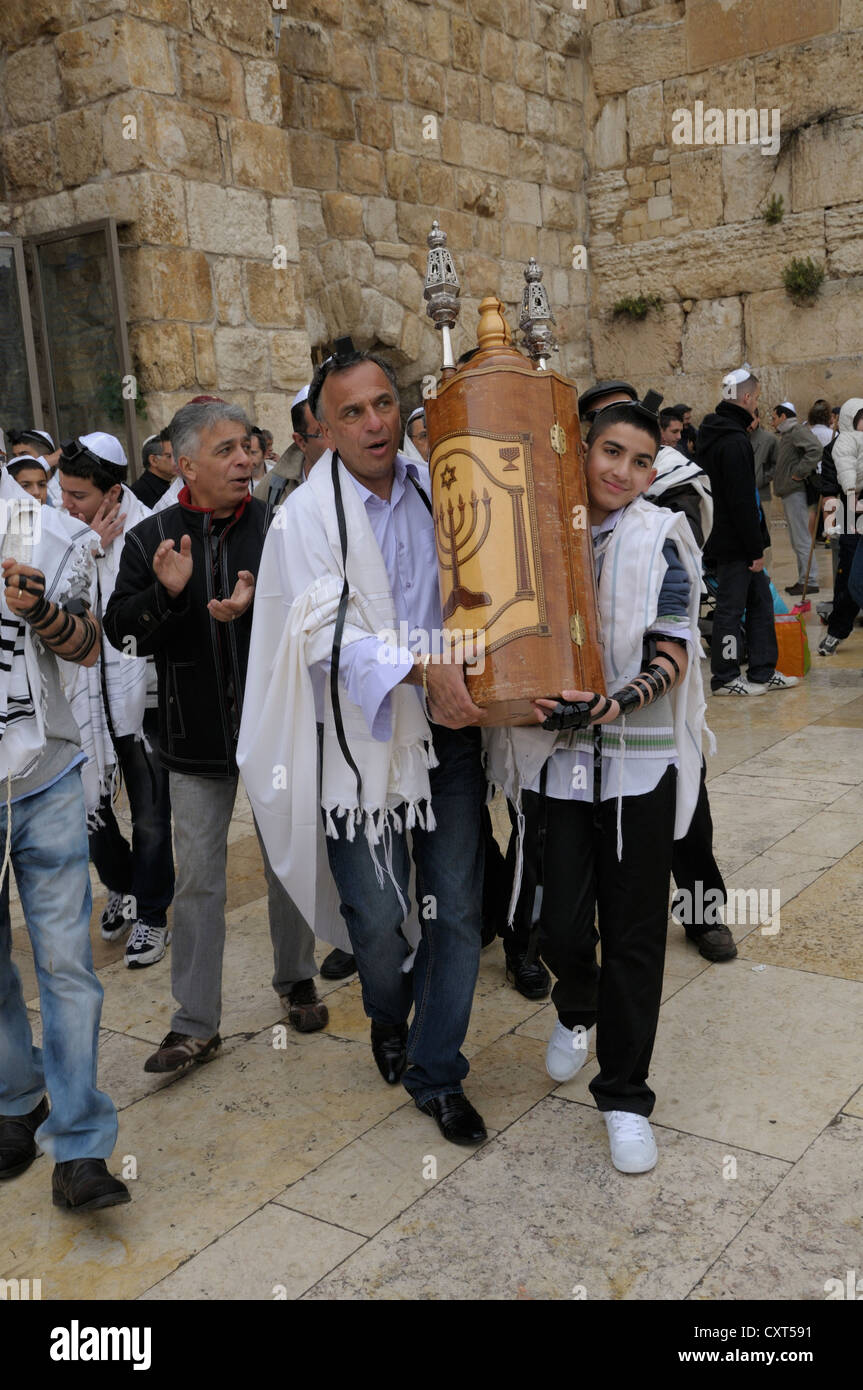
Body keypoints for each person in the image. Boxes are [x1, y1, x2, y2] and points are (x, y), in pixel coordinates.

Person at [238, 347, 489, 1147]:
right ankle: (388, 1014)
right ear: (322, 428)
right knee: (377, 922)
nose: (375, 423)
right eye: (352, 412)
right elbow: (320, 634)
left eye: (383, 403)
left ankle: (435, 1069)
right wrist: (422, 668)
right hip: (359, 744)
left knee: (454, 912)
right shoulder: (301, 521)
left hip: (448, 736)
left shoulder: (440, 491)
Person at [485, 401, 706, 1173]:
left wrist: (623, 698)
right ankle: (575, 1007)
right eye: (609, 452)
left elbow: (674, 646)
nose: (620, 472)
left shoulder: (659, 538)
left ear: (653, 471)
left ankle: (623, 1095)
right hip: (553, 760)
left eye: (639, 461)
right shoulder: (539, 533)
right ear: (581, 450)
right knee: (561, 928)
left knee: (636, 933)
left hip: (635, 760)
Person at [104, 398, 327, 1075]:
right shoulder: (152, 540)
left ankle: (296, 979)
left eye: (249, 447)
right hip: (192, 742)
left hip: (274, 730)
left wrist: (263, 609)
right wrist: (169, 598)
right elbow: (121, 632)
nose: (245, 460)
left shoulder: (280, 529)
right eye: (227, 450)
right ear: (186, 463)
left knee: (287, 862)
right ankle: (195, 1024)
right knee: (198, 879)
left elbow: (322, 611)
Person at [0, 471, 130, 1211]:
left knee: (65, 967)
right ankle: (18, 1101)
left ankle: (80, 1147)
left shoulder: (35, 530)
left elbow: (84, 647)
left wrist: (39, 608)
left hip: (43, 779)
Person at [57, 432, 175, 969]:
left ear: (111, 493)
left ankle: (151, 914)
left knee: (150, 813)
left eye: (77, 495)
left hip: (142, 696)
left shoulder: (152, 527)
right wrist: (86, 547)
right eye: (62, 492)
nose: (65, 504)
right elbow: (55, 606)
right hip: (82, 699)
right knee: (92, 804)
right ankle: (121, 885)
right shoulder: (64, 532)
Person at [698, 367, 799, 696]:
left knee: (760, 603)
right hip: (735, 545)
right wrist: (754, 549)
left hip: (728, 539)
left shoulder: (713, 433)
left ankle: (762, 670)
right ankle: (725, 677)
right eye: (755, 398)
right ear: (746, 398)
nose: (756, 404)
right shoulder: (733, 441)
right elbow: (742, 500)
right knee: (730, 608)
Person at [820, 397, 863, 655]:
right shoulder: (834, 449)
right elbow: (829, 491)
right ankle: (837, 631)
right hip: (849, 516)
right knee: (848, 577)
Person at [254, 386, 327, 527]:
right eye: (321, 433)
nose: (335, 439)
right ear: (301, 441)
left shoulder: (365, 475)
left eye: (335, 428)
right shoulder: (274, 485)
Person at [771, 401, 822, 594]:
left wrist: (799, 473)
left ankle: (810, 580)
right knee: (796, 538)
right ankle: (805, 578)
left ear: (784, 416)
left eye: (775, 418)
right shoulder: (788, 434)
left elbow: (815, 449)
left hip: (796, 491)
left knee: (801, 538)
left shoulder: (796, 431)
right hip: (789, 492)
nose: (773, 422)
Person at [131, 428, 175, 508]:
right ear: (154, 460)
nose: (176, 460)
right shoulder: (138, 494)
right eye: (169, 456)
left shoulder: (163, 487)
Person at [748, 407, 777, 504]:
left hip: (762, 495)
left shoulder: (769, 439)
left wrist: (764, 477)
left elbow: (778, 463)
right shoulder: (736, 439)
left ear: (758, 419)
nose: (748, 422)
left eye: (751, 419)